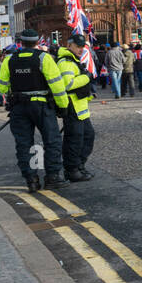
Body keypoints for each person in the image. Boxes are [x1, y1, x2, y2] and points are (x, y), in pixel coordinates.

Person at [0, 29, 70, 192]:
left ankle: (31, 180)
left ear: (21, 43)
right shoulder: (44, 58)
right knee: (52, 141)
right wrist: (63, 106)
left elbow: (2, 86)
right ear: (37, 42)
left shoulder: (9, 60)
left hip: (19, 107)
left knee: (24, 144)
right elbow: (57, 85)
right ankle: (52, 177)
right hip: (41, 106)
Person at [56, 34, 96, 182]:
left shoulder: (73, 60)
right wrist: (86, 77)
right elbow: (68, 84)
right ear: (69, 45)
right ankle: (72, 170)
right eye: (78, 46)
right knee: (74, 140)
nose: (81, 49)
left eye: (82, 46)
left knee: (87, 137)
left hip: (80, 107)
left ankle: (79, 166)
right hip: (72, 106)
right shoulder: (66, 62)